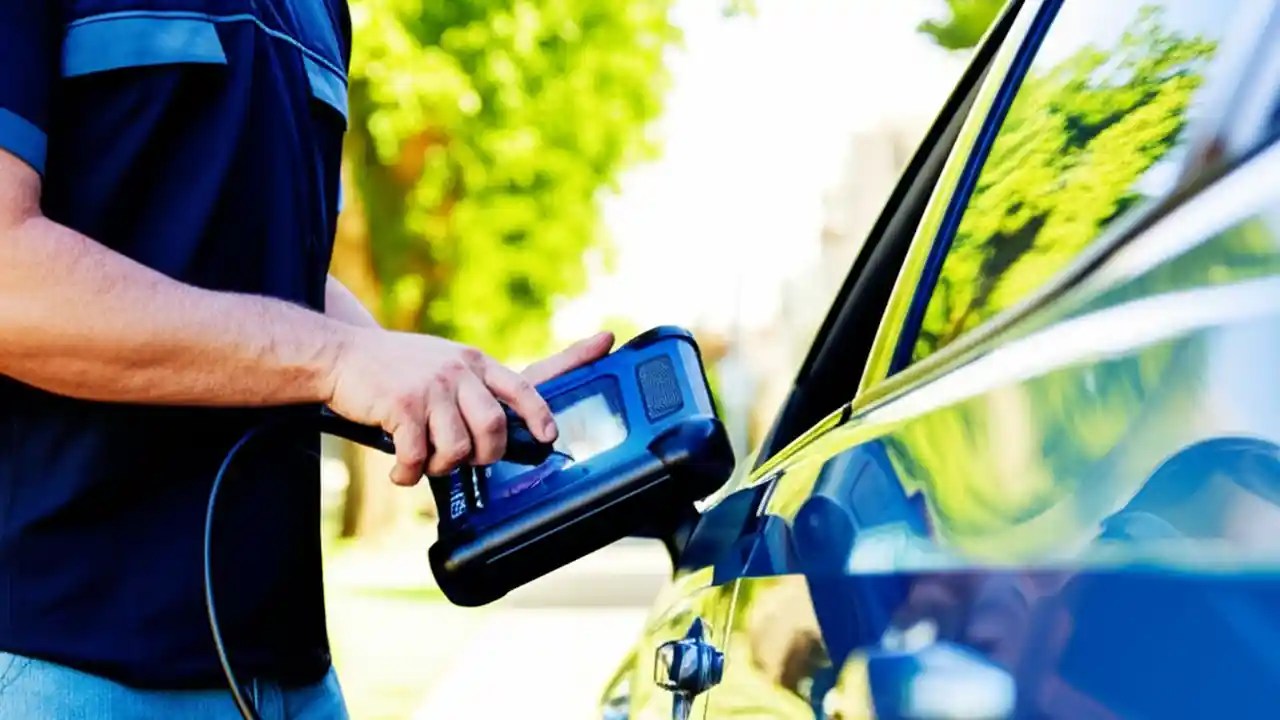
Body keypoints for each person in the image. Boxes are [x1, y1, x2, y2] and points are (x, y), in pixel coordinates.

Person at [0, 2, 613, 717]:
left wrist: (450, 387)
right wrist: (336, 359)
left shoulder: (321, 10)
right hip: (60, 669)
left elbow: (284, 279)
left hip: (291, 679)